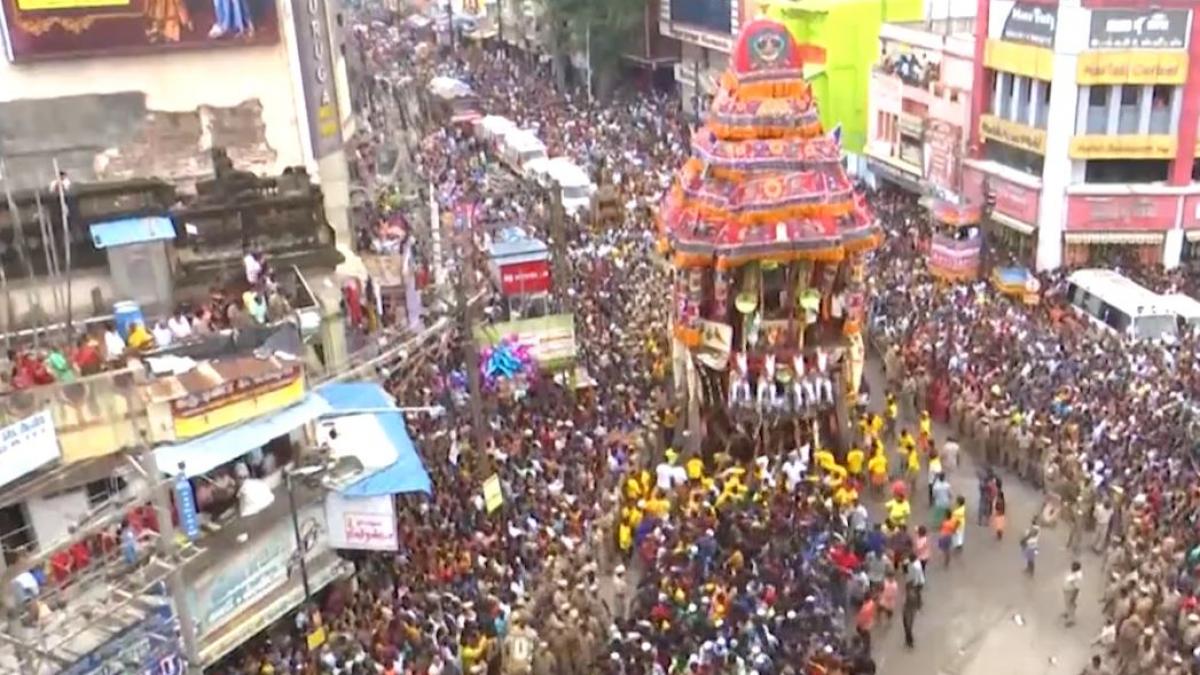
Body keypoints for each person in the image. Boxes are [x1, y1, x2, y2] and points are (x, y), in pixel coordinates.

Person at [1063, 560, 1083, 627]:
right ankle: (1067, 613)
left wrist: (1074, 596)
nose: (1071, 568)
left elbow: (1077, 587)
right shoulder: (1075, 574)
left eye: (1073, 567)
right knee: (1068, 604)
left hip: (1071, 591)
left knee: (1070, 605)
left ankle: (1071, 620)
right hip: (1068, 590)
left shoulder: (1076, 576)